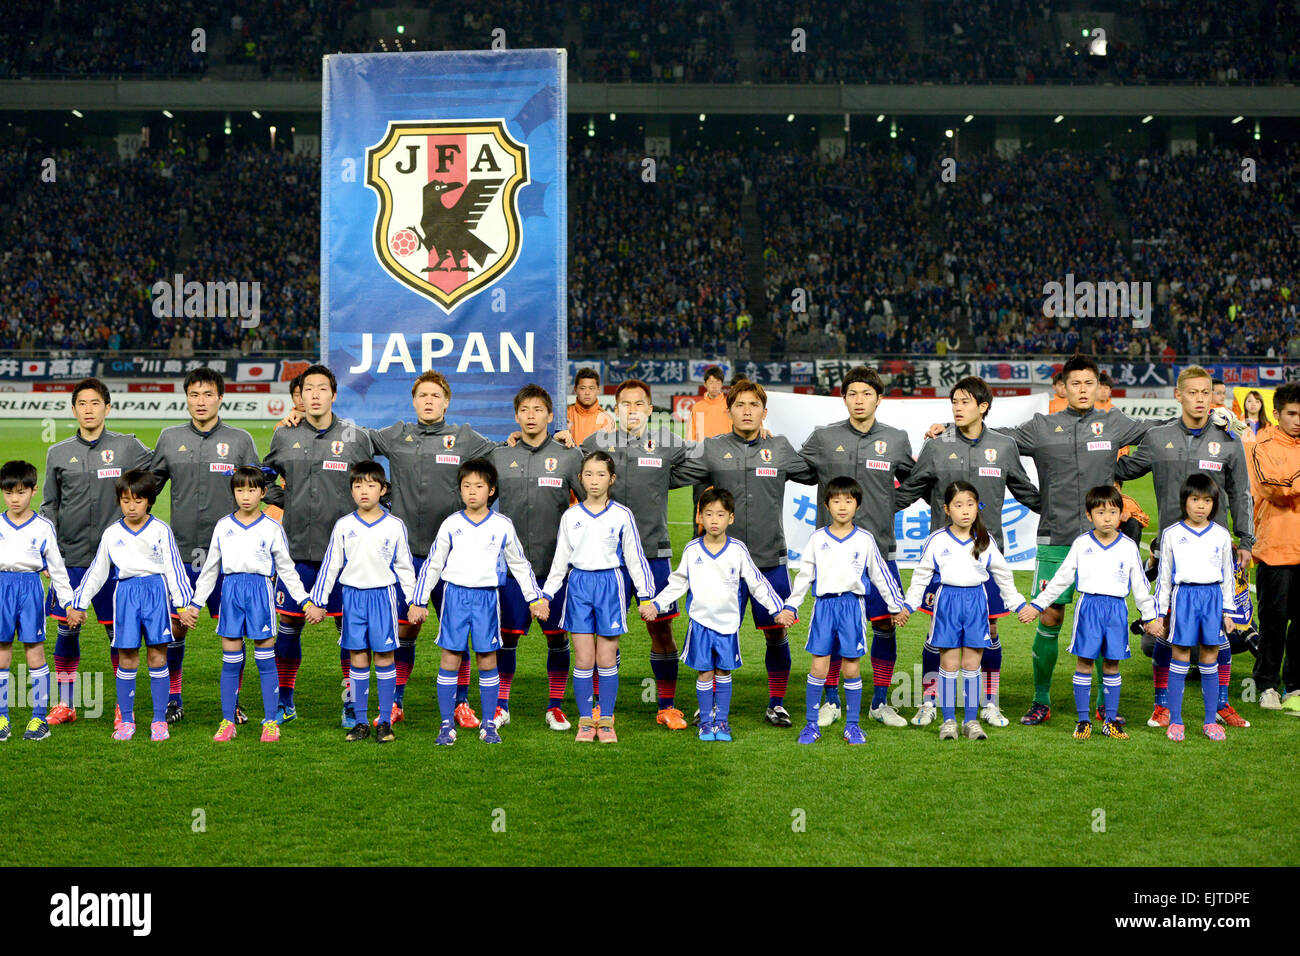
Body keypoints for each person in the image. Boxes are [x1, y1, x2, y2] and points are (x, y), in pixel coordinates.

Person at [895, 376, 1040, 727]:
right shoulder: (936, 445)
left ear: (983, 406)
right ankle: (929, 700)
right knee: (936, 635)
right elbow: (910, 490)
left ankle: (990, 702)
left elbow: (1025, 491)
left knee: (989, 634)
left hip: (987, 560)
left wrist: (1067, 512)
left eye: (964, 402)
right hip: (944, 564)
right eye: (954, 402)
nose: (957, 408)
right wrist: (865, 510)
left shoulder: (1004, 446)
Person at [1115, 365, 1254, 729]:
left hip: (1218, 552)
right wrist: (1097, 448)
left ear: (1212, 396)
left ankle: (1221, 704)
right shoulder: (1159, 438)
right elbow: (1126, 468)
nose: (1199, 399)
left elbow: (1241, 492)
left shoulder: (1228, 440)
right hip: (1171, 551)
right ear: (1178, 395)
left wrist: (1246, 540)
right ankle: (1162, 706)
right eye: (1191, 393)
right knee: (1163, 629)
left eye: (1205, 393)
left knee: (1224, 631)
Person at [674, 378, 818, 727]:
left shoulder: (780, 447)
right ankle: (707, 703)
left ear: (764, 412)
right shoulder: (711, 448)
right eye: (740, 405)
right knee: (715, 630)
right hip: (720, 566)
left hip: (770, 560)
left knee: (775, 632)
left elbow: (815, 472)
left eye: (754, 405)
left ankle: (777, 702)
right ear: (729, 411)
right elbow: (671, 475)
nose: (747, 411)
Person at [798, 365, 914, 729]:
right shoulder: (823, 437)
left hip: (879, 551)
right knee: (832, 631)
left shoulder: (896, 439)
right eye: (852, 394)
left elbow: (916, 480)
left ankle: (880, 702)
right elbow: (797, 470)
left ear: (879, 399)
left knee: (885, 627)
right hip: (833, 556)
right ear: (844, 398)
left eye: (866, 394)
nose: (859, 400)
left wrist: (887, 505)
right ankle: (830, 700)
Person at [261, 364, 375, 725]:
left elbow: (374, 482)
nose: (314, 395)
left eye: (321, 389)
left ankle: (351, 702)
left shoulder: (355, 437)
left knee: (350, 634)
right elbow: (264, 478)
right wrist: (285, 499)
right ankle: (285, 702)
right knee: (288, 631)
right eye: (308, 389)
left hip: (343, 557)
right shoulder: (284, 435)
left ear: (333, 394)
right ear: (300, 396)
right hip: (295, 554)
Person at [580, 380, 695, 729]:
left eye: (639, 404)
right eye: (625, 404)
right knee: (604, 633)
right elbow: (572, 463)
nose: (632, 409)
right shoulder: (597, 443)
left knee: (661, 631)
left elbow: (709, 455)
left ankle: (666, 705)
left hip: (653, 554)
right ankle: (599, 706)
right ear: (615, 410)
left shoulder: (668, 443)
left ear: (649, 409)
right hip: (607, 559)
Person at [407, 458, 545, 746]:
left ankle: (489, 724)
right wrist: (418, 601)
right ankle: (446, 724)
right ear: (459, 490)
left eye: (479, 486)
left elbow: (520, 564)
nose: (472, 491)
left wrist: (535, 598)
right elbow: (433, 564)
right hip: (455, 596)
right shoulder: (451, 524)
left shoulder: (502, 525)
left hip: (486, 599)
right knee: (450, 658)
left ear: (491, 490)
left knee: (487, 659)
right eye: (466, 486)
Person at [151, 367, 261, 724]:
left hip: (230, 557)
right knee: (175, 628)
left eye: (208, 394)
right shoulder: (169, 438)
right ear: (186, 398)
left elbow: (261, 488)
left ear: (220, 398)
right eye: (194, 394)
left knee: (233, 632)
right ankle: (173, 697)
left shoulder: (241, 440)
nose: (201, 401)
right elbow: (146, 490)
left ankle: (233, 703)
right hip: (181, 553)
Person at [42, 377, 153, 726]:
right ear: (74, 409)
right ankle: (66, 703)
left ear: (108, 407)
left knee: (116, 633)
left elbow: (161, 469)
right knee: (66, 631)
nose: (89, 410)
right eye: (82, 404)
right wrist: (48, 554)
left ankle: (123, 705)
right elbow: (49, 507)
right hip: (71, 559)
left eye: (95, 403)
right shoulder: (57, 453)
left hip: (115, 560)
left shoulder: (128, 447)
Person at [640, 487, 783, 742]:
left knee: (724, 673)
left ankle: (723, 722)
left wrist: (777, 609)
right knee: (705, 673)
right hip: (701, 624)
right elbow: (677, 583)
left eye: (720, 514)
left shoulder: (737, 550)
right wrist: (656, 604)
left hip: (728, 625)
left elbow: (757, 582)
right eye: (708, 514)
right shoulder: (693, 550)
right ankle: (706, 722)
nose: (714, 520)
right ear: (700, 518)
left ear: (731, 518)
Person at [182, 466, 313, 743]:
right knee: (231, 661)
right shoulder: (224, 526)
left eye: (252, 490)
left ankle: (270, 722)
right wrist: (194, 604)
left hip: (260, 592)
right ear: (233, 492)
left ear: (263, 493)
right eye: (240, 489)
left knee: (265, 660)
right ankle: (228, 721)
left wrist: (304, 600)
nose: (246, 495)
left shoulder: (272, 527)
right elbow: (210, 570)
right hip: (230, 591)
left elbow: (287, 569)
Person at [1020, 485, 1160, 740]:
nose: (1107, 518)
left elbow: (1140, 585)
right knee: (1084, 662)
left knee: (1112, 664)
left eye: (1113, 512)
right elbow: (1061, 580)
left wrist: (1150, 617)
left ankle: (1110, 720)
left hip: (1116, 610)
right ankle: (1083, 720)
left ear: (1121, 515)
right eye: (1100, 512)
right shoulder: (1082, 544)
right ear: (1089, 515)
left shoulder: (1128, 546)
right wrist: (1038, 605)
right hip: (1088, 609)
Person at [67, 470, 194, 742]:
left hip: (155, 593)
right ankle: (126, 720)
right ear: (119, 501)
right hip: (125, 595)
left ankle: (159, 720)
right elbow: (97, 571)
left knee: (157, 656)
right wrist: (79, 603)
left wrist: (182, 604)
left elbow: (173, 568)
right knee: (127, 657)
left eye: (137, 500)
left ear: (148, 501)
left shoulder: (161, 530)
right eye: (125, 500)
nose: (131, 506)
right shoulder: (112, 533)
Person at [782, 476, 909, 745]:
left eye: (848, 501)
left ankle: (852, 726)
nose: (842, 506)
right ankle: (811, 724)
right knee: (818, 668)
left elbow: (880, 575)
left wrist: (896, 607)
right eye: (836, 500)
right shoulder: (817, 538)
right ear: (826, 505)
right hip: (824, 607)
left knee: (851, 670)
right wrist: (791, 606)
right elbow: (804, 575)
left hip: (853, 607)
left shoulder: (864, 539)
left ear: (857, 505)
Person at [540, 450, 656, 744]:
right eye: (588, 474)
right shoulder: (571, 516)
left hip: (610, 586)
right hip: (578, 586)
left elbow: (635, 558)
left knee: (605, 659)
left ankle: (605, 721)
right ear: (579, 478)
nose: (594, 481)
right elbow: (560, 561)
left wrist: (646, 597)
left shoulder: (621, 515)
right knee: (583, 658)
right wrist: (546, 596)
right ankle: (584, 721)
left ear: (612, 479)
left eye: (601, 474)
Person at [490, 386, 583, 729]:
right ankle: (501, 705)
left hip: (554, 568)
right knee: (506, 635)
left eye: (538, 409)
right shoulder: (500, 456)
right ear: (516, 417)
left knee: (557, 637)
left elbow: (592, 500)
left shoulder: (569, 456)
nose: (531, 415)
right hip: (512, 570)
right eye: (525, 410)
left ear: (549, 415)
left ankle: (555, 706)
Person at [905, 481, 1028, 741]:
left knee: (972, 665)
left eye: (970, 505)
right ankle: (948, 720)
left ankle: (971, 721)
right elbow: (921, 575)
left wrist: (1018, 604)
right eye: (958, 505)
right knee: (949, 665)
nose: (965, 511)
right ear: (946, 509)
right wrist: (909, 604)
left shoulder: (984, 539)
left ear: (977, 508)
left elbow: (1003, 575)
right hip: (948, 602)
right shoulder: (937, 540)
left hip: (976, 603)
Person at [305, 461, 417, 743]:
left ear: (383, 489)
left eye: (370, 485)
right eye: (357, 485)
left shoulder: (394, 525)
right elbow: (331, 565)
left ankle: (385, 722)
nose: (363, 491)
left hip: (383, 597)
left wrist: (416, 601)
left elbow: (405, 566)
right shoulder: (344, 525)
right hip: (352, 598)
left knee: (384, 657)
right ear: (352, 491)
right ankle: (361, 722)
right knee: (357, 657)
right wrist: (317, 601)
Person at [1150, 475, 1238, 741]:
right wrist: (1159, 614)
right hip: (1183, 597)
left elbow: (1227, 574)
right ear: (1185, 502)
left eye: (1207, 500)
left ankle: (1210, 721)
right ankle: (1176, 721)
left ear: (1215, 504)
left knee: (1210, 655)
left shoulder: (1221, 535)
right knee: (1181, 655)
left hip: (1212, 597)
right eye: (1195, 500)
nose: (1201, 506)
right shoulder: (1173, 534)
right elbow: (1164, 577)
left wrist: (1228, 611)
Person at [0, 460, 73, 741]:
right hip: (2, 586)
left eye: (20, 492)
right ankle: (3, 715)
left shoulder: (43, 527)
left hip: (30, 588)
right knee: (3, 650)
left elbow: (56, 568)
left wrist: (68, 603)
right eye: (8, 493)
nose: (14, 499)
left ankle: (38, 718)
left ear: (33, 491)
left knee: (35, 651)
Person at [1249, 382, 1300, 714]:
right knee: (1273, 621)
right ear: (1278, 413)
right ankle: (1266, 684)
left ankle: (1294, 686)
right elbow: (1274, 489)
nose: (1298, 420)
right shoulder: (1262, 444)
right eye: (1292, 414)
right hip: (1275, 547)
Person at [566, 367, 615, 445]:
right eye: (583, 388)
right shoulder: (566, 414)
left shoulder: (607, 419)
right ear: (575, 390)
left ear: (598, 390)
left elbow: (609, 450)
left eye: (591, 388)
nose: (587, 392)